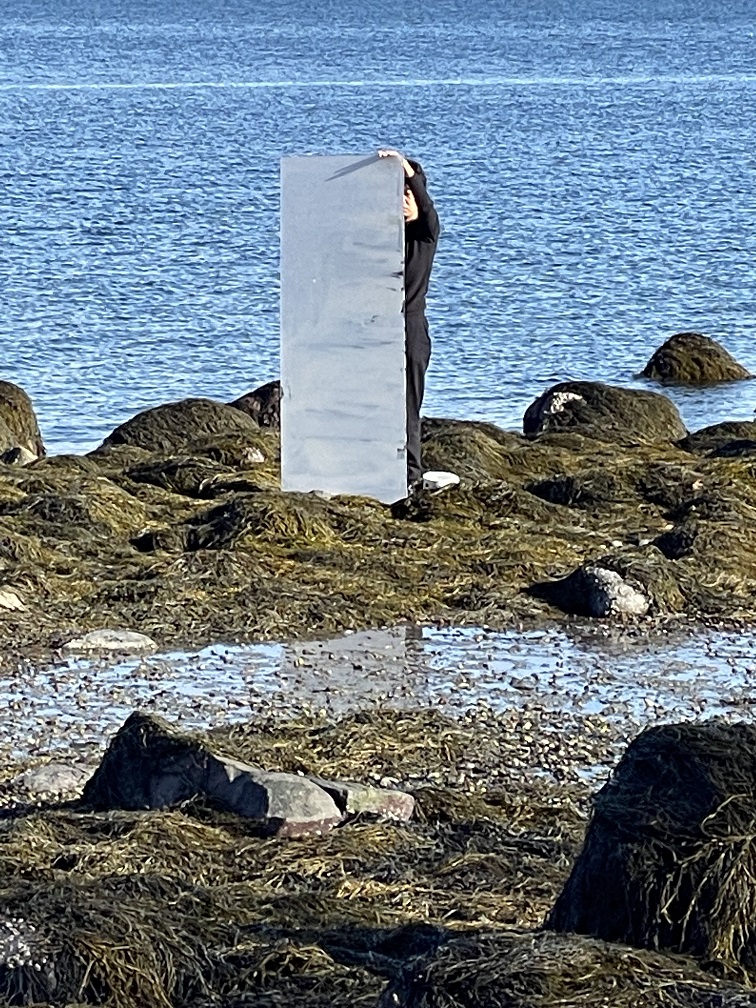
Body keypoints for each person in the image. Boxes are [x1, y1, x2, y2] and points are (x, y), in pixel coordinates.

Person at [378, 148, 453, 492]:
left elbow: (428, 211)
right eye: (400, 194)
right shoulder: (382, 240)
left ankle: (410, 475)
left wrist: (407, 170)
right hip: (379, 328)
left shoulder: (425, 234)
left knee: (407, 407)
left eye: (410, 194)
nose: (405, 200)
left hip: (410, 329)